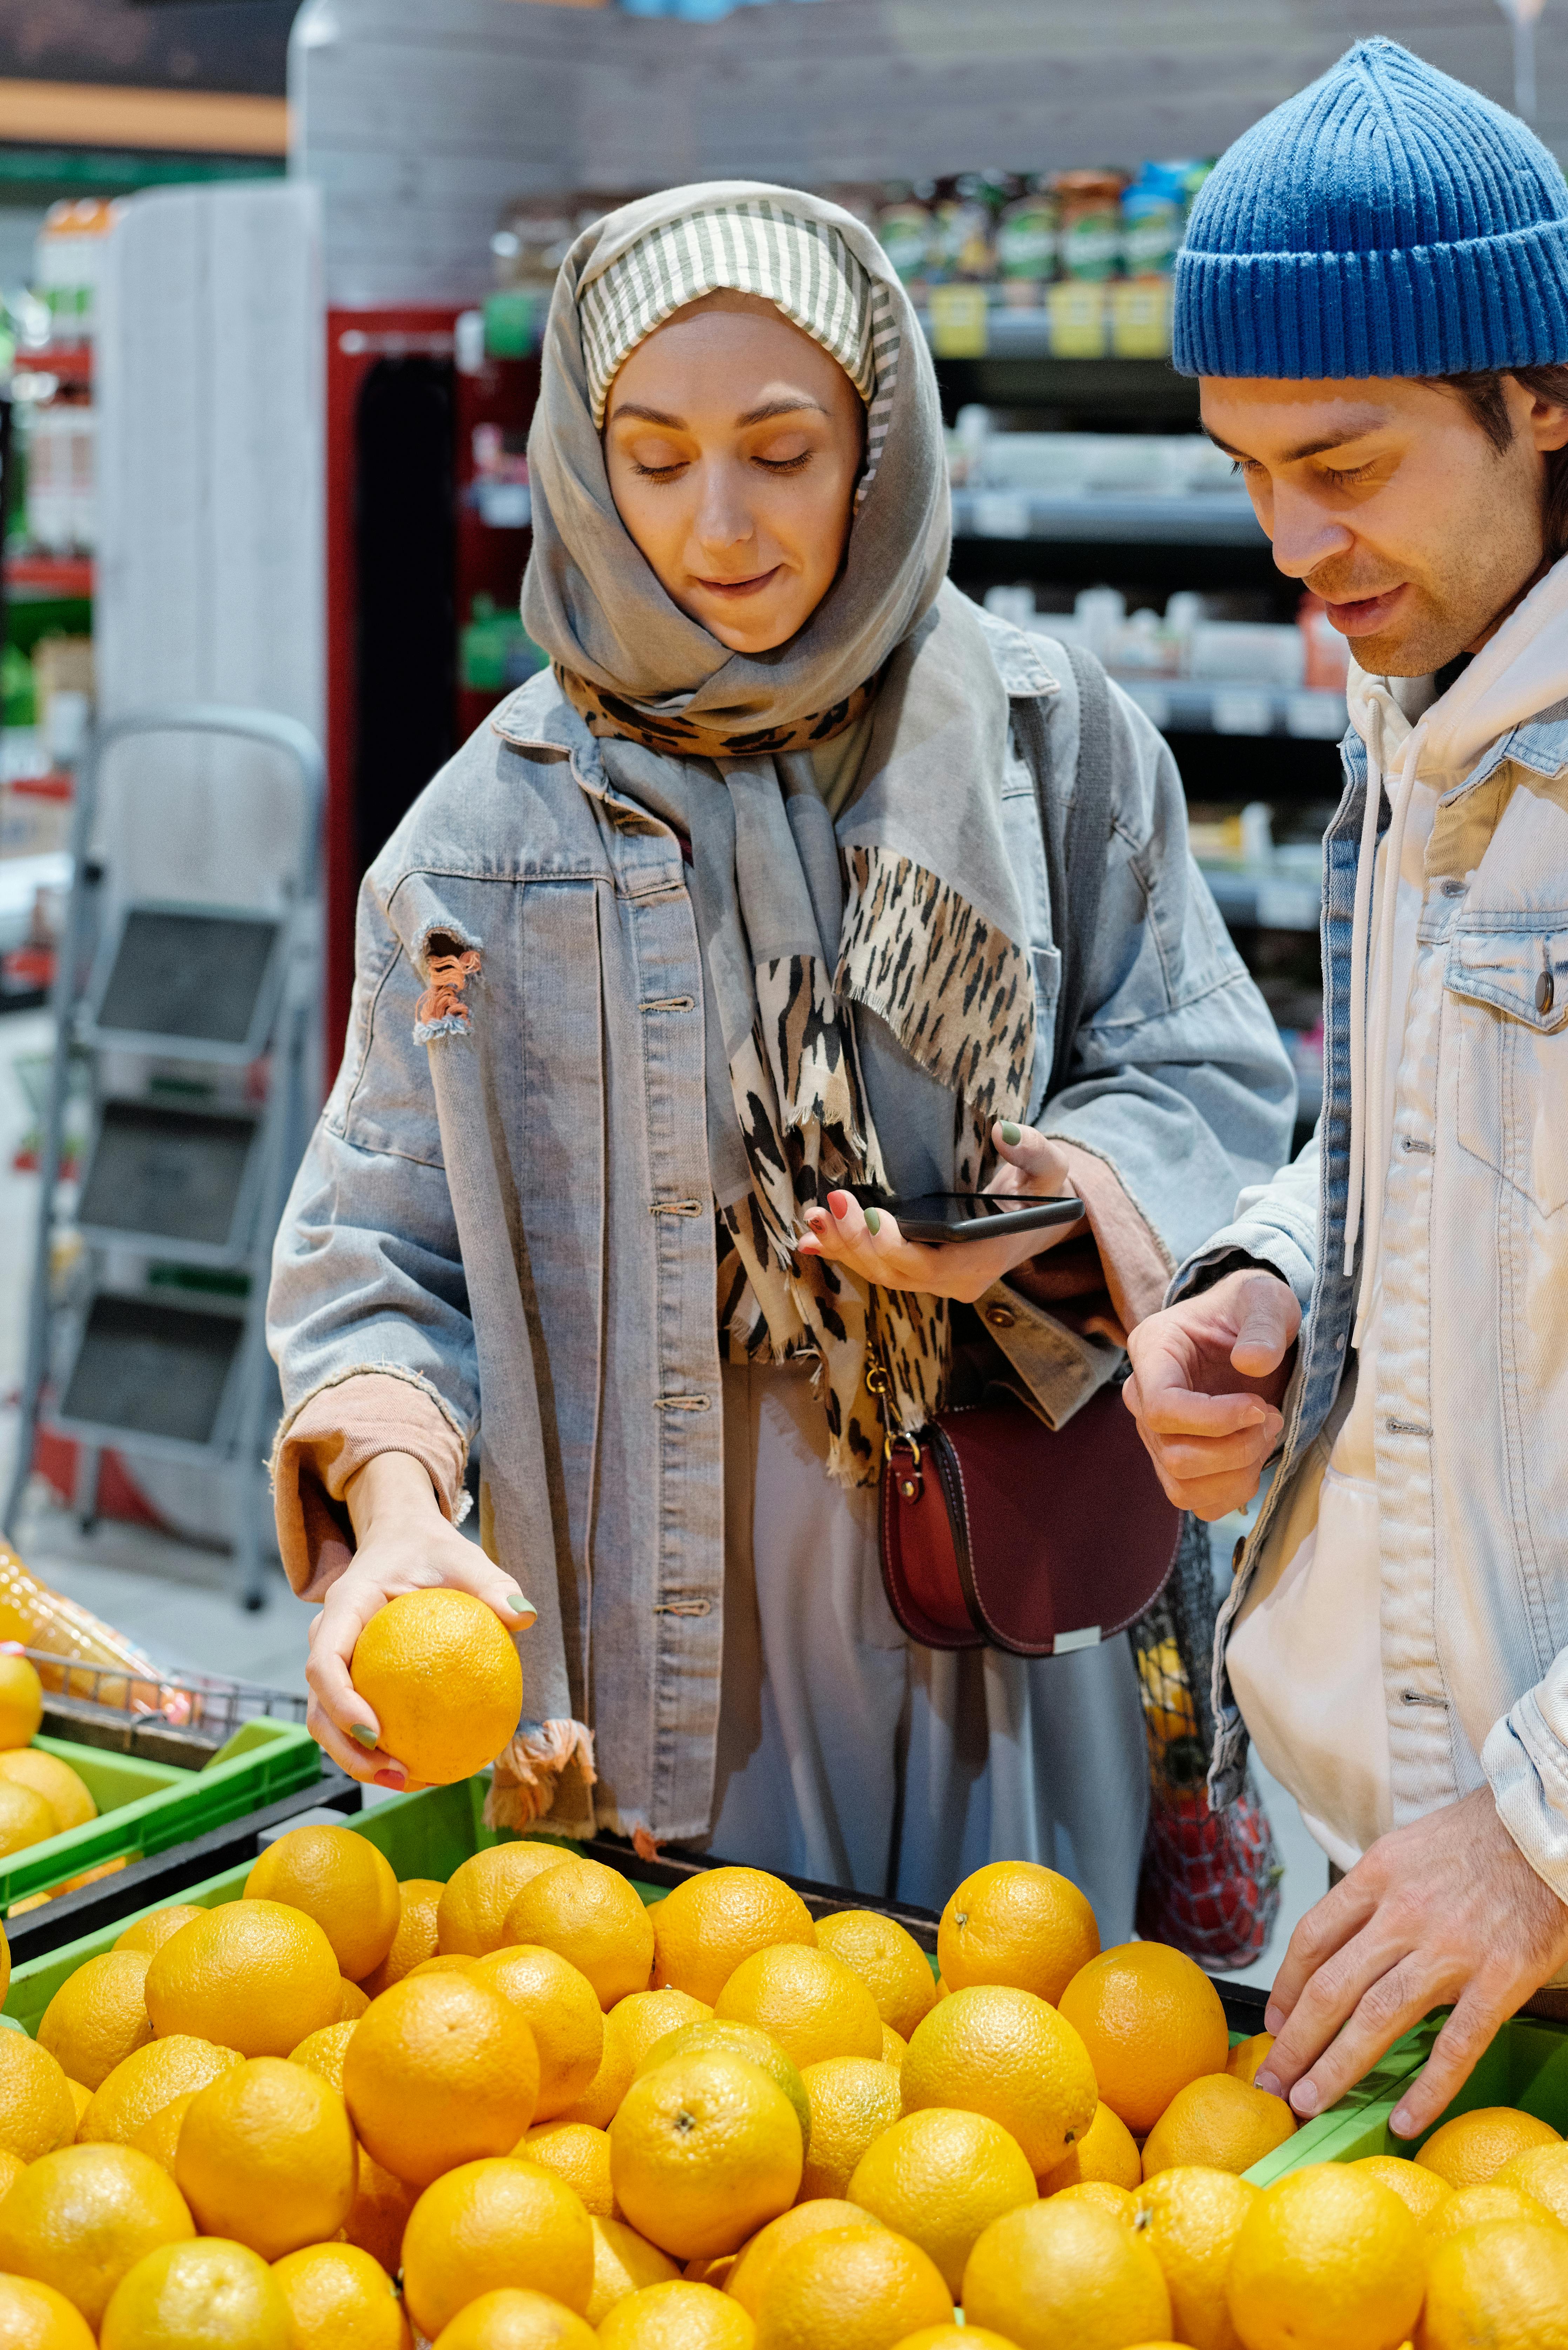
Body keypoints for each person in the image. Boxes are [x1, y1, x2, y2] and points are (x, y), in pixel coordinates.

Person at [268, 183, 1292, 1929]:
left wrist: (1045, 1212)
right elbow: (383, 1246)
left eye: (781, 451)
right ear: (584, 471)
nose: (717, 525)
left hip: (993, 1592)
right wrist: (389, 1501)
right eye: (652, 462)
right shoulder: (480, 845)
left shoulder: (1047, 745)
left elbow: (1201, 1074)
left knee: (1017, 2099)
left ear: (878, 447)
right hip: (648, 1630)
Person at [1125, 39, 1568, 2139]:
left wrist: (1544, 1824)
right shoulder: (1425, 721)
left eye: (1345, 458)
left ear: (1539, 394)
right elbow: (1422, 1125)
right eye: (1241, 472)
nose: (1292, 544)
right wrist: (1278, 1280)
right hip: (1410, 1883)